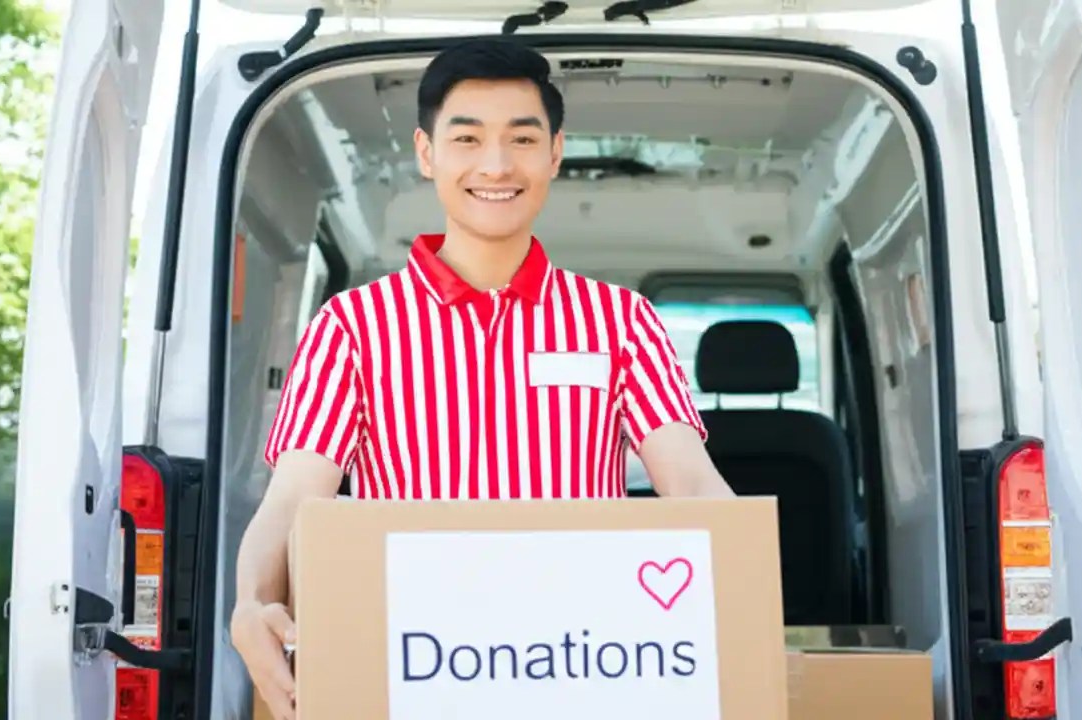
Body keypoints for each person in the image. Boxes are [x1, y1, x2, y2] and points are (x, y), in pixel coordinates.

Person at [230, 38, 736, 718]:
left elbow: (694, 484)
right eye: (467, 139)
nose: (496, 165)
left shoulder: (621, 322)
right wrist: (252, 601)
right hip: (414, 669)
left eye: (521, 139)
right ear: (427, 152)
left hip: (584, 667)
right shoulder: (352, 326)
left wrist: (747, 589)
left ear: (555, 152)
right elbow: (292, 501)